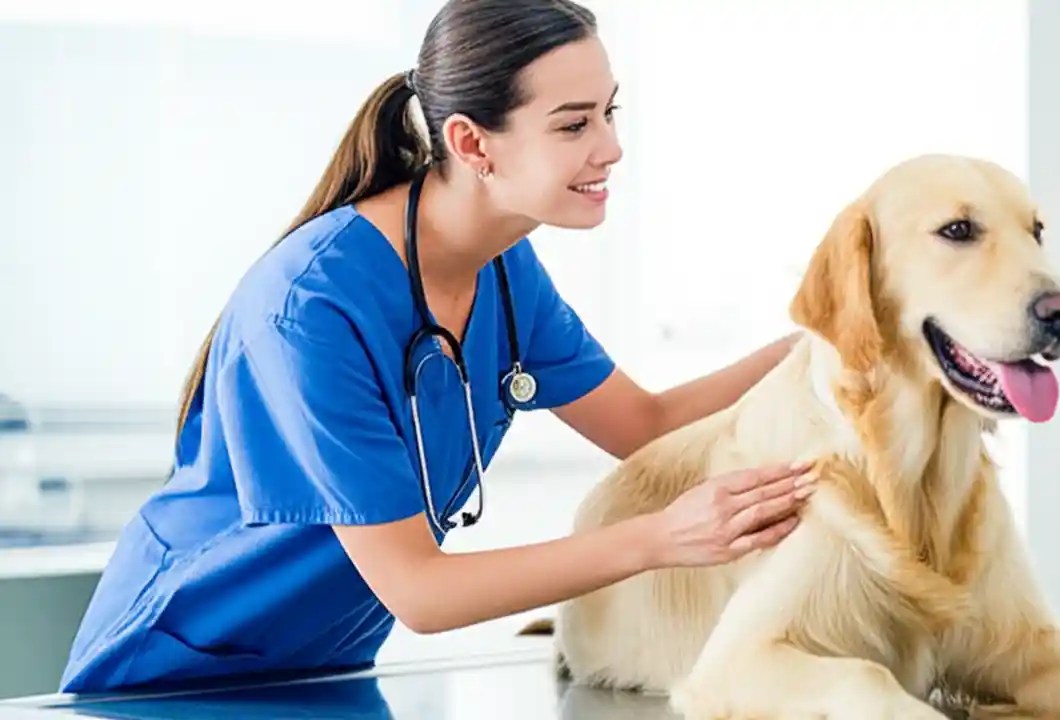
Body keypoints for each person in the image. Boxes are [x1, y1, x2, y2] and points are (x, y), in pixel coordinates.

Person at [60, 0, 815, 694]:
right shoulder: (312, 309)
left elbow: (644, 426)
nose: (612, 147)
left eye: (611, 113)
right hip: (172, 676)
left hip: (323, 670)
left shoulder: (505, 271)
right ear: (470, 142)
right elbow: (420, 592)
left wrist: (823, 341)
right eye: (573, 124)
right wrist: (658, 539)